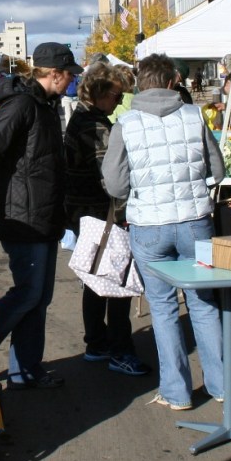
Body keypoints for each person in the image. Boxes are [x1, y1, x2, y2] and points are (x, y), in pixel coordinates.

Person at [0, 42, 81, 390]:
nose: (72, 80)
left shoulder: (47, 105)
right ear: (53, 74)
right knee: (27, 293)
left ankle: (27, 369)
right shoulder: (24, 105)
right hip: (22, 217)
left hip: (45, 215)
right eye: (69, 74)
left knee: (39, 298)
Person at [102, 53, 226, 410]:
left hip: (149, 226)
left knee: (163, 306)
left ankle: (176, 391)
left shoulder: (125, 123)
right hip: (195, 222)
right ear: (173, 81)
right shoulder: (194, 115)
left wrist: (134, 192)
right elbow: (217, 169)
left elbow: (113, 182)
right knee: (204, 303)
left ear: (140, 82)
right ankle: (220, 386)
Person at [65, 62, 151, 377]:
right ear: (100, 93)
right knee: (116, 282)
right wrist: (129, 205)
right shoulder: (95, 126)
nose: (118, 101)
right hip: (102, 211)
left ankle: (98, 344)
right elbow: (110, 179)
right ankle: (119, 349)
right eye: (115, 95)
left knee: (96, 280)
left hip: (86, 210)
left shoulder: (86, 118)